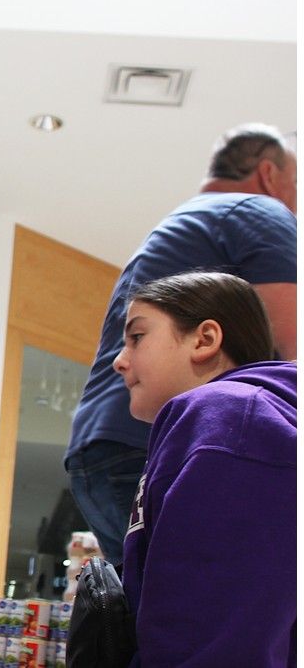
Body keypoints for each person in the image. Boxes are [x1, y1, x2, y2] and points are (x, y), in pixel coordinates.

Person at [64, 123, 296, 565]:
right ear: (269, 174)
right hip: (162, 441)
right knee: (204, 611)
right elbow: (290, 351)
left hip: (103, 445)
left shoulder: (182, 225)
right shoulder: (260, 212)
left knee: (153, 610)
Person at [113, 272, 295, 667]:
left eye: (137, 337)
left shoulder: (230, 417)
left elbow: (214, 634)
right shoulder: (235, 421)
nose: (119, 361)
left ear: (205, 340)